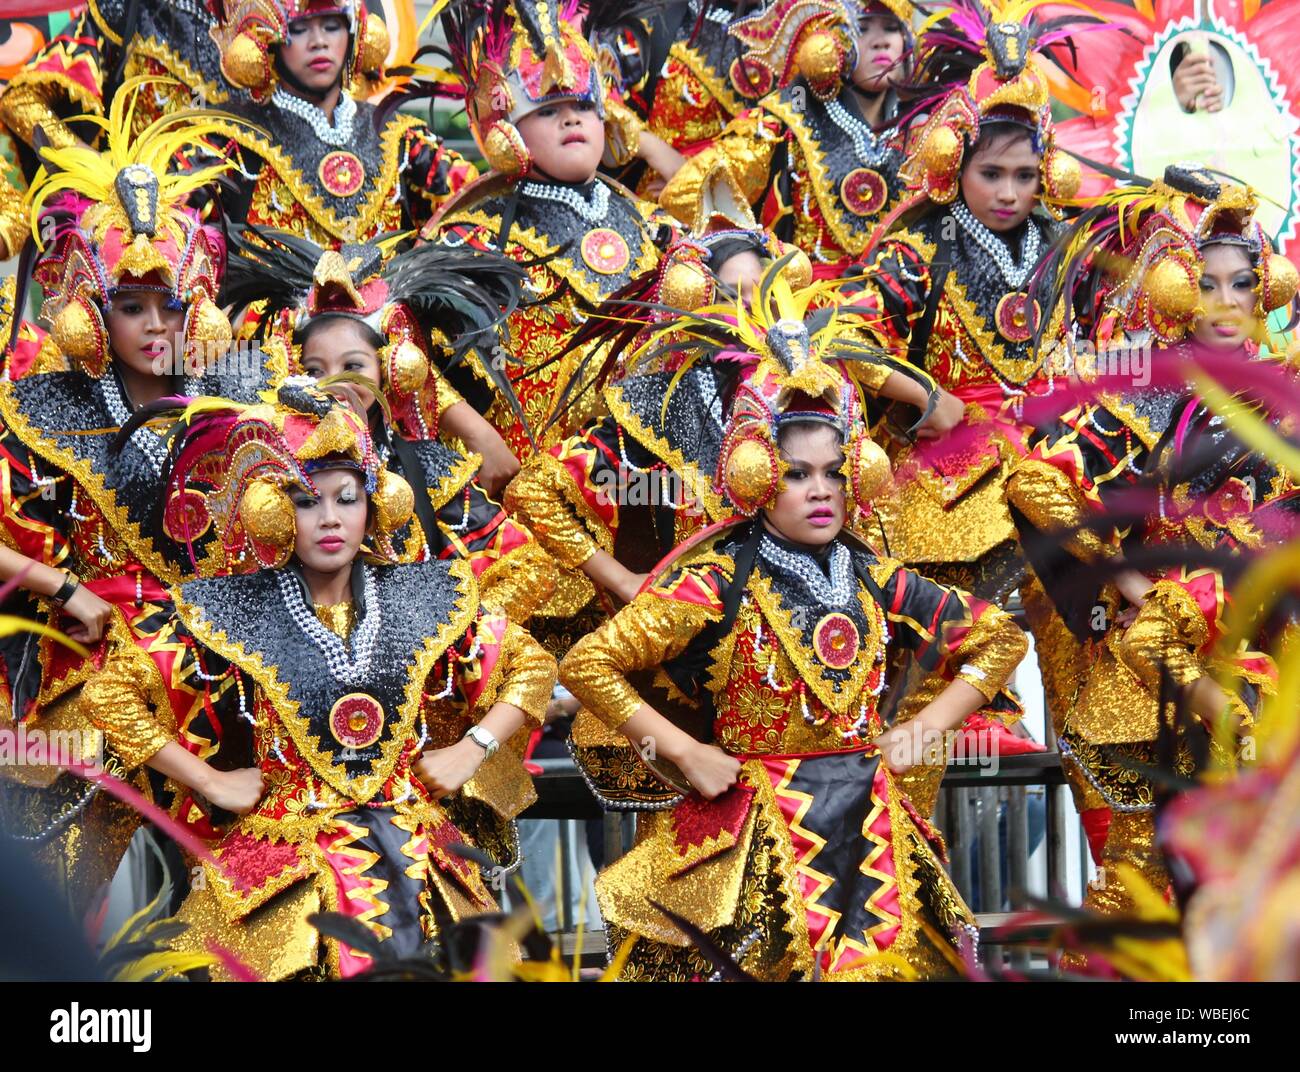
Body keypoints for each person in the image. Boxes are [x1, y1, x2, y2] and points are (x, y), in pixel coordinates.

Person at [558, 311, 1027, 980]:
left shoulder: (875, 575)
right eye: (800, 474)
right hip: (755, 826)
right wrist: (688, 752)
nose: (821, 491)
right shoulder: (716, 579)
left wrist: (926, 727)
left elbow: (1000, 638)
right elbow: (588, 664)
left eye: (835, 473)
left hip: (872, 818)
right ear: (757, 478)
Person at [86, 383, 557, 980]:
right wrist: (208, 779)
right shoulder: (227, 607)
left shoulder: (428, 593)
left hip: (420, 856)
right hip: (284, 867)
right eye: (308, 501)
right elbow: (111, 693)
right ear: (276, 512)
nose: (330, 518)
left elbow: (533, 665)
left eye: (347, 498)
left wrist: (474, 747)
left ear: (375, 502)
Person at [1006, 165, 1299, 923]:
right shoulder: (1149, 391)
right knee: (1138, 880)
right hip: (1155, 661)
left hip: (1268, 644)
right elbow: (1037, 484)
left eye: (1242, 284)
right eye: (1208, 284)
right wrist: (1131, 585)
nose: (1227, 303)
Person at [834, 0, 1097, 811]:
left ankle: (1120, 895)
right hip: (947, 481)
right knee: (926, 687)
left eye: (1025, 174)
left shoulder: (1068, 244)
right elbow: (842, 334)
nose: (1010, 192)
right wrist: (929, 397)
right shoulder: (920, 242)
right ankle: (907, 899)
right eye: (992, 173)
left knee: (1099, 684)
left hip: (1056, 468)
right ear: (955, 165)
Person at [0, 90, 245, 917]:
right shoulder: (45, 411)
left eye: (169, 306)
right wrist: (61, 589)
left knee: (243, 898)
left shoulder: (245, 408)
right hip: (86, 669)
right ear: (91, 311)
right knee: (59, 896)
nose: (152, 325)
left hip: (214, 677)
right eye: (130, 306)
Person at [220, 226, 558, 624]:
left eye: (353, 366)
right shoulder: (271, 480)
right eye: (315, 369)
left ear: (388, 370)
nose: (335, 382)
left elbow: (527, 567)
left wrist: (451, 636)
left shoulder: (428, 471)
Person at [660, 0, 915, 277]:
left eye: (891, 29)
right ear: (832, 40)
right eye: (863, 28)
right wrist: (759, 254)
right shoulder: (784, 121)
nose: (881, 43)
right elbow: (684, 196)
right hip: (795, 310)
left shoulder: (922, 136)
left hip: (889, 311)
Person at [199, 0, 477, 247]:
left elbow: (471, 202)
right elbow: (184, 233)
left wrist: (427, 265)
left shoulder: (398, 135)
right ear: (267, 42)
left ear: (355, 36)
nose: (319, 41)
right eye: (299, 29)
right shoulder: (228, 138)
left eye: (331, 26)